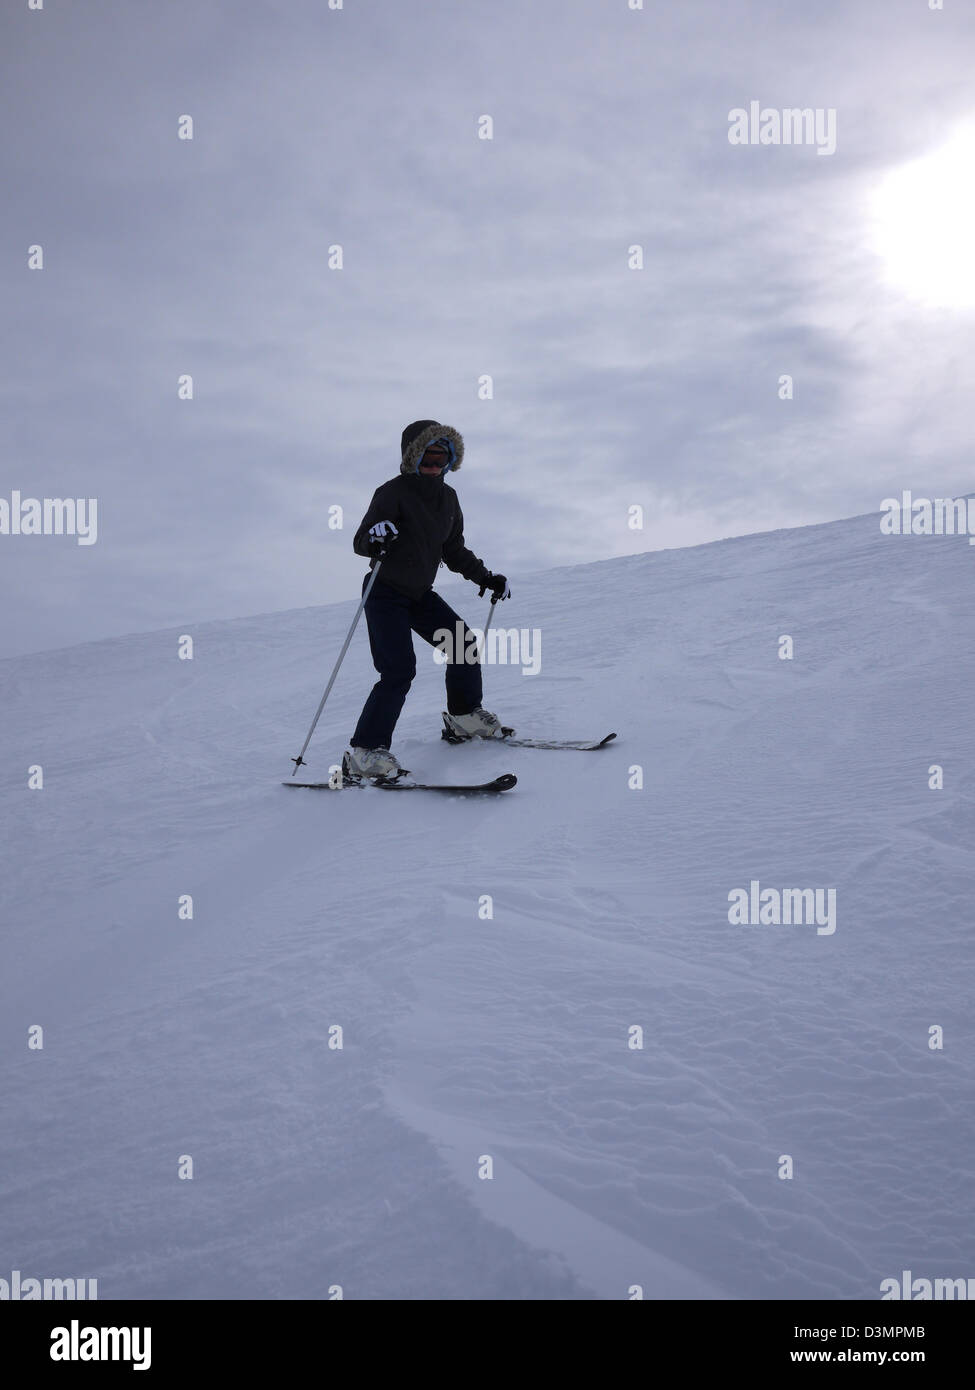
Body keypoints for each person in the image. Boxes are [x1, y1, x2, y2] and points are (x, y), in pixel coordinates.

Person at [345, 419, 511, 779]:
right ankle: (366, 751)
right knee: (398, 670)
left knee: (462, 642)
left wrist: (486, 577)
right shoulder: (393, 491)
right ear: (412, 458)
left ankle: (464, 716)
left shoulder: (448, 498)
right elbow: (362, 541)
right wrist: (377, 537)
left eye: (441, 459)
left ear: (451, 462)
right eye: (427, 459)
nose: (434, 466)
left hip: (419, 593)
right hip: (384, 591)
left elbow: (453, 550)